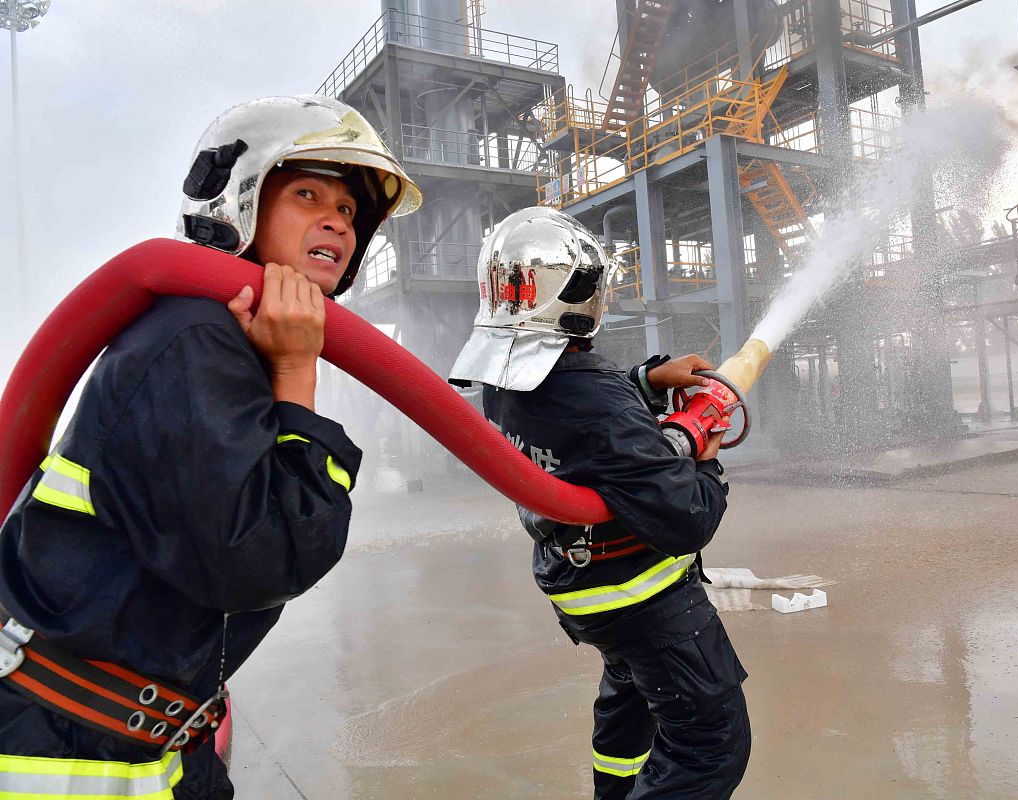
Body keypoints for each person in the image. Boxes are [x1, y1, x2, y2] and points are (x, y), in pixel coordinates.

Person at [0, 95, 421, 799]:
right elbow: (261, 559)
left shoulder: (218, 339)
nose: (336, 221)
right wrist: (296, 371)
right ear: (241, 201)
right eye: (308, 193)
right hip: (67, 762)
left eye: (350, 211)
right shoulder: (194, 336)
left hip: (142, 742)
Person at [449, 207, 750, 799]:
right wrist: (703, 456)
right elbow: (686, 515)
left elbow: (580, 417)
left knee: (630, 702)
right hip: (646, 596)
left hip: (585, 588)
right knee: (709, 744)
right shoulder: (593, 400)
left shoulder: (504, 381)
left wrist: (648, 380)